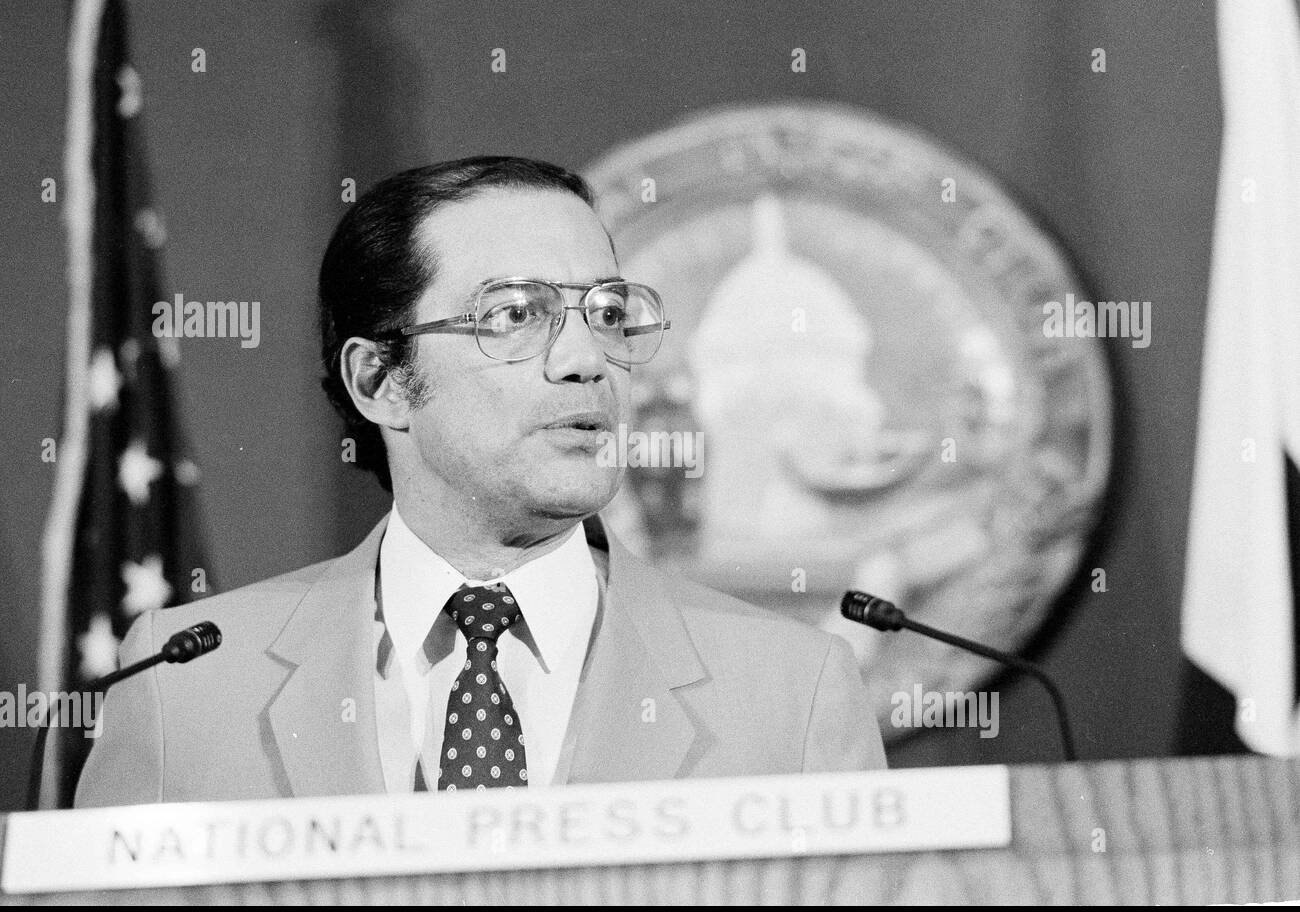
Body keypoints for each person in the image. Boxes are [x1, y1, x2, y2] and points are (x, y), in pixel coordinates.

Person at [75, 156, 887, 807]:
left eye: (606, 313)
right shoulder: (186, 686)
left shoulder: (794, 691)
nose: (585, 360)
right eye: (514, 315)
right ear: (381, 382)